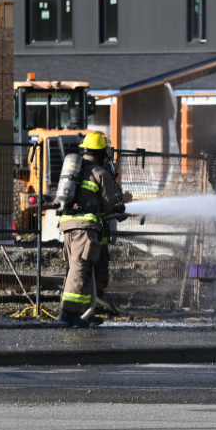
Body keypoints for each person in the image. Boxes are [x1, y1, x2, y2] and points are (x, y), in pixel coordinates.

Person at [57, 132, 127, 327]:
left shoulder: (76, 172)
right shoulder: (101, 173)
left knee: (80, 268)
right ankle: (67, 312)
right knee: (80, 268)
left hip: (68, 225)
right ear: (102, 152)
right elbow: (107, 205)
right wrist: (117, 207)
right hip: (85, 228)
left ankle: (83, 312)